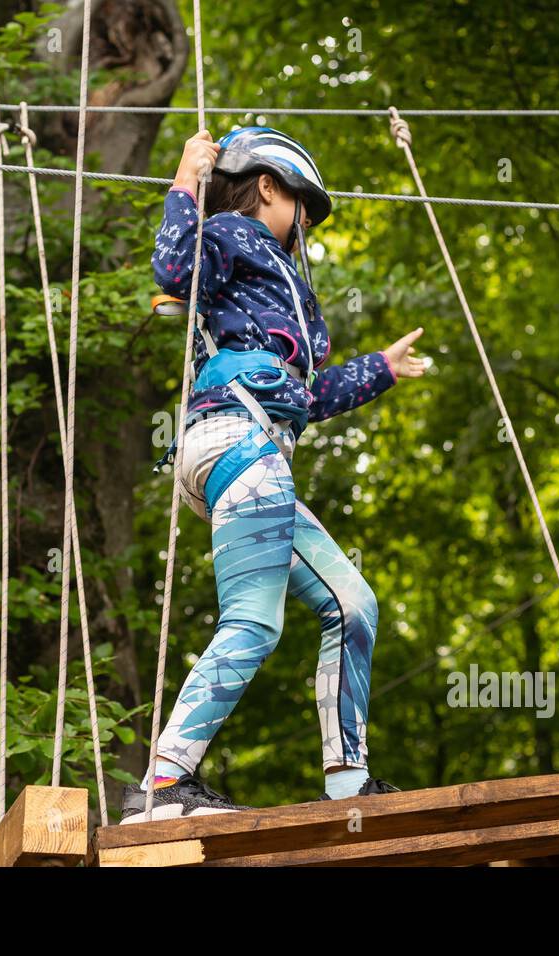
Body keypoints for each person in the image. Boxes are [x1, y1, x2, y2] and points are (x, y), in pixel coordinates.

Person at [122, 127, 427, 823]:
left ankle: (349, 782)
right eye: (305, 207)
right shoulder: (228, 232)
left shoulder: (271, 283)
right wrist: (183, 182)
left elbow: (310, 399)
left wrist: (379, 367)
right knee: (255, 622)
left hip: (252, 450)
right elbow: (172, 274)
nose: (308, 227)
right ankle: (164, 785)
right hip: (238, 441)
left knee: (353, 604)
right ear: (268, 186)